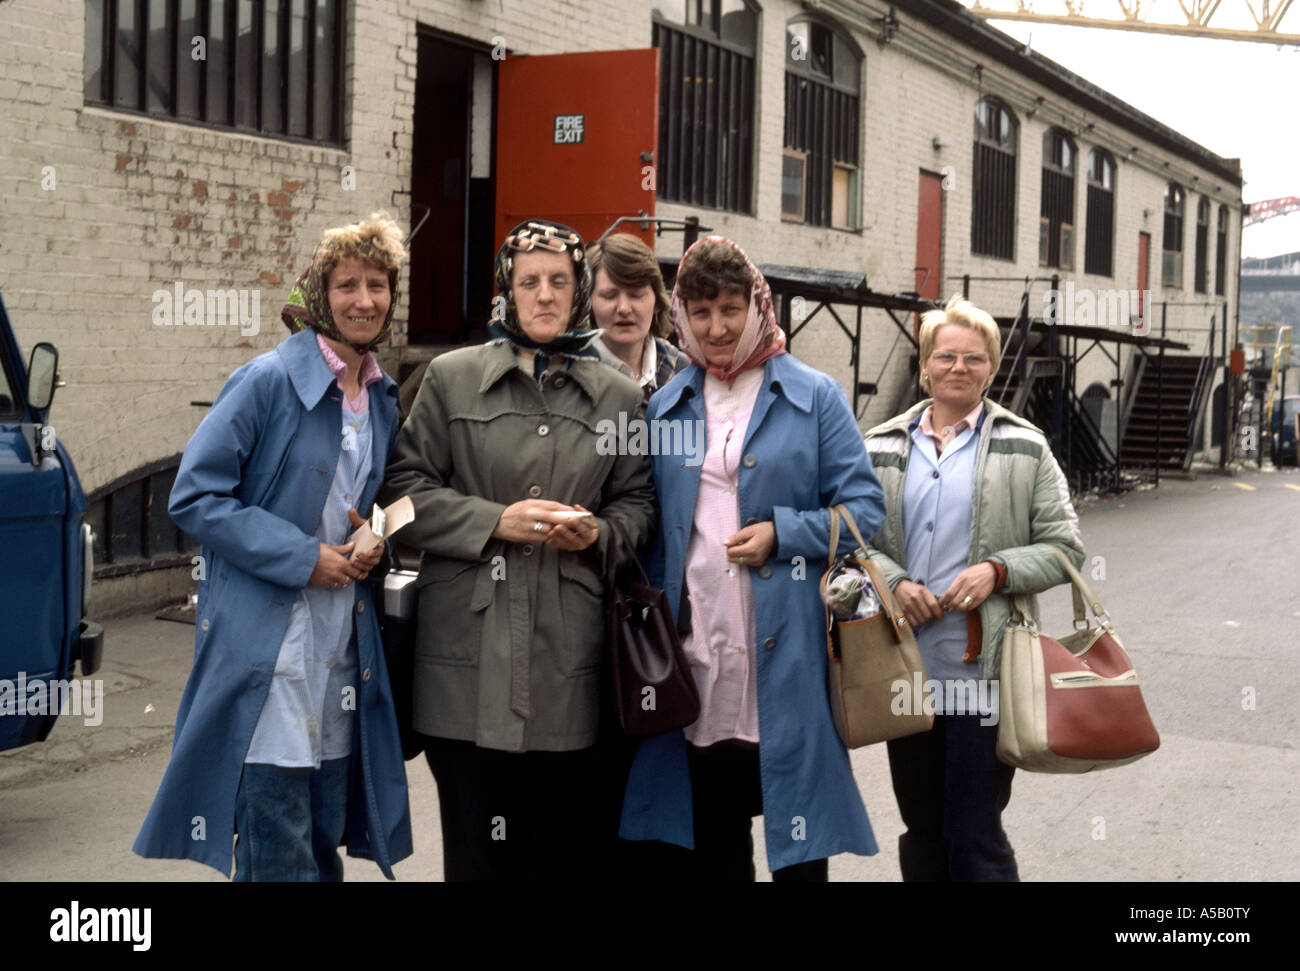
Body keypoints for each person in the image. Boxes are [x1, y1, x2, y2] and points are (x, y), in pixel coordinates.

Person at [134, 212, 414, 881]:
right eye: (348, 283)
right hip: (268, 645)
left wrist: (373, 536)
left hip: (339, 649)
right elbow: (194, 495)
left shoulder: (380, 395)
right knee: (274, 847)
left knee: (320, 840)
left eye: (378, 284)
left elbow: (378, 497)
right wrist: (303, 556)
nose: (365, 300)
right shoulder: (264, 381)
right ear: (320, 292)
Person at [378, 218, 656, 882]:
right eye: (529, 281)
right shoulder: (450, 378)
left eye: (560, 280)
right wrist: (494, 520)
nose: (544, 294)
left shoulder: (619, 394)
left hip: (572, 664)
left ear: (580, 290)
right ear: (506, 290)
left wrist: (600, 532)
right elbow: (401, 494)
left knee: (564, 858)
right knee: (478, 853)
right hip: (464, 666)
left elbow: (640, 503)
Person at [618, 236, 886, 881]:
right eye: (701, 312)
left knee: (798, 840)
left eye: (730, 309)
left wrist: (782, 534)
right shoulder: (667, 404)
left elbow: (866, 511)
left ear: (758, 307)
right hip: (696, 653)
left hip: (787, 651)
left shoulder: (814, 395)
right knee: (712, 833)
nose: (716, 328)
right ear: (680, 315)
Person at [860, 295, 1086, 882]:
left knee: (975, 829)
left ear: (991, 367)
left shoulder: (1026, 446)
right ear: (925, 363)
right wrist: (895, 583)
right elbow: (849, 543)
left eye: (973, 358)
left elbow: (1067, 550)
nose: (958, 368)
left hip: (984, 675)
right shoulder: (880, 446)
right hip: (905, 671)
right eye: (946, 356)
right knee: (921, 829)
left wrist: (998, 570)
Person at [587, 232, 688, 398]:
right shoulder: (570, 377)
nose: (624, 309)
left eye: (636, 295)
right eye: (609, 296)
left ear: (657, 302)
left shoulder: (682, 371)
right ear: (589, 303)